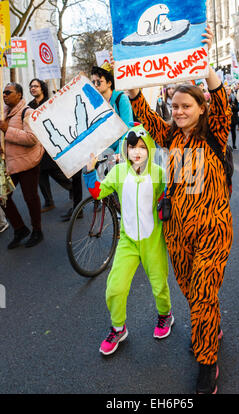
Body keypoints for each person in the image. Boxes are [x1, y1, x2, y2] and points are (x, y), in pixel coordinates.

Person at [122, 26, 233, 394]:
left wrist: (205, 65)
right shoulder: (170, 136)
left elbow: (221, 102)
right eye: (175, 107)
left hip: (212, 230)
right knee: (191, 290)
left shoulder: (213, 133)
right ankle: (208, 326)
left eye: (187, 106)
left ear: (201, 109)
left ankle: (207, 362)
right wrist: (134, 85)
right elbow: (146, 119)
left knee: (203, 293)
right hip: (177, 232)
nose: (180, 111)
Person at [83, 124, 173, 356]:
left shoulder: (159, 173)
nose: (137, 152)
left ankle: (165, 315)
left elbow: (171, 198)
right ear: (125, 148)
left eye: (142, 147)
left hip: (153, 240)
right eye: (132, 146)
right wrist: (90, 171)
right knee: (115, 286)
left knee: (159, 284)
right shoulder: (118, 172)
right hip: (128, 241)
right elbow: (97, 192)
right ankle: (118, 328)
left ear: (150, 148)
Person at [0, 83, 44, 248]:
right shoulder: (4, 114)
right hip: (9, 164)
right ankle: (20, 229)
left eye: (8, 92)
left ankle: (37, 231)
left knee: (30, 198)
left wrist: (7, 130)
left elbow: (32, 139)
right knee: (3, 197)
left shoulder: (28, 112)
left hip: (27, 164)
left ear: (18, 95)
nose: (4, 95)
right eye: (3, 92)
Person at [28, 79, 73, 213]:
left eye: (36, 86)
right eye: (31, 87)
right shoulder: (29, 106)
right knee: (40, 174)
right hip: (36, 146)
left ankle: (72, 188)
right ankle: (48, 201)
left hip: (51, 143)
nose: (33, 88)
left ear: (42, 88)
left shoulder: (50, 103)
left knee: (55, 171)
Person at [225, 85, 239, 149]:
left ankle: (234, 144)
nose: (228, 90)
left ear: (231, 90)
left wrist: (233, 106)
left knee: (233, 131)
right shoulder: (223, 98)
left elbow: (237, 108)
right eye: (226, 89)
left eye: (229, 89)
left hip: (233, 117)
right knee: (225, 132)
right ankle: (225, 145)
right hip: (225, 118)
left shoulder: (233, 98)